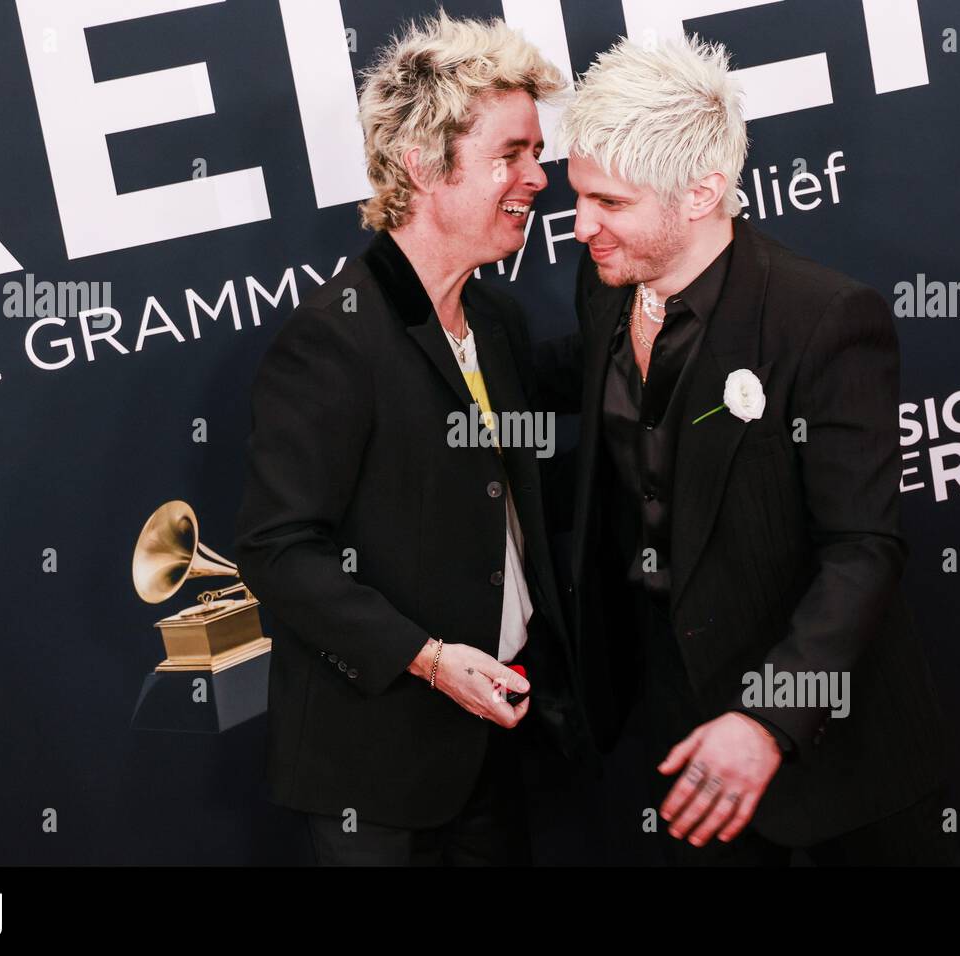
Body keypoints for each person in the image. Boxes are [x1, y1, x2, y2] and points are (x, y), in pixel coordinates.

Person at [539, 35, 958, 865]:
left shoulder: (824, 321)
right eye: (578, 196)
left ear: (701, 193)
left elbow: (861, 552)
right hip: (677, 739)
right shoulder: (608, 280)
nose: (580, 226)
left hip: (837, 761)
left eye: (610, 204)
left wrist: (769, 718)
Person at [233, 12, 582, 866]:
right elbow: (278, 551)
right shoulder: (335, 340)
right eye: (512, 155)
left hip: (500, 746)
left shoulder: (493, 317)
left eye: (538, 153)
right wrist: (428, 661)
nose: (540, 178)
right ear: (424, 164)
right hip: (377, 773)